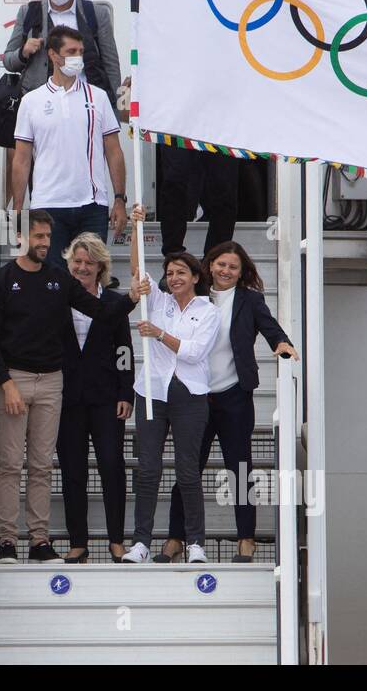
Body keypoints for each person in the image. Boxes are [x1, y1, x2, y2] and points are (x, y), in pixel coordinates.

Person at [0, 210, 147, 564]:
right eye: (37, 237)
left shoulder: (59, 280)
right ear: (21, 237)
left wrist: (131, 299)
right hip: (18, 382)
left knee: (42, 466)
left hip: (56, 385)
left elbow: (102, 312)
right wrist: (5, 382)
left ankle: (40, 542)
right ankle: (8, 542)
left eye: (46, 237)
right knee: (11, 464)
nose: (43, 243)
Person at [162, 241, 299, 563]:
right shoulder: (192, 296)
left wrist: (283, 344)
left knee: (239, 468)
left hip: (234, 395)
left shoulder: (250, 300)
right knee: (188, 469)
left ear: (241, 273)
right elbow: (162, 289)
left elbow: (271, 329)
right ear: (209, 266)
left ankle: (246, 539)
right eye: (220, 265)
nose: (225, 271)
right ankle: (175, 538)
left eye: (233, 267)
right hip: (194, 396)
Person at [122, 203, 219, 565]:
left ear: (195, 276)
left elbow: (193, 353)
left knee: (187, 470)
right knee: (148, 469)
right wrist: (135, 227)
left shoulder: (208, 311)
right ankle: (141, 543)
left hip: (191, 395)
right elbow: (136, 269)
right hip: (151, 390)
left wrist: (159, 334)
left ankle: (195, 543)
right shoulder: (158, 301)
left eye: (181, 272)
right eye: (170, 272)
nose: (174, 277)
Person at [12, 25, 128, 276]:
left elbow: (114, 151)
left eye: (81, 51)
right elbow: (21, 160)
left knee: (92, 280)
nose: (78, 57)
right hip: (48, 206)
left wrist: (120, 199)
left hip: (92, 206)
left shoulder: (98, 97)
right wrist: (19, 212)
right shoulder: (31, 101)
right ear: (53, 55)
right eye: (71, 51)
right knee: (53, 283)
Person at [57, 233, 134, 564]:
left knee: (112, 467)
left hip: (106, 399)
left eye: (89, 262)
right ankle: (79, 543)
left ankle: (117, 541)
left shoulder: (115, 301)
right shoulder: (56, 297)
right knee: (73, 471)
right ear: (69, 263)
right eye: (77, 261)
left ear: (101, 266)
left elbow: (123, 350)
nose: (82, 267)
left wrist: (125, 391)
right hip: (66, 399)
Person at [2, 0, 122, 111]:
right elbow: (8, 60)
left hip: (87, 105)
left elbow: (111, 64)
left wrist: (113, 108)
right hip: (42, 108)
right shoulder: (29, 12)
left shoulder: (96, 14)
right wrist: (23, 52)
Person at [158, 144, 239, 258]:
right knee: (174, 180)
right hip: (180, 129)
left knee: (224, 186)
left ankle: (213, 262)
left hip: (222, 130)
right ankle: (174, 261)